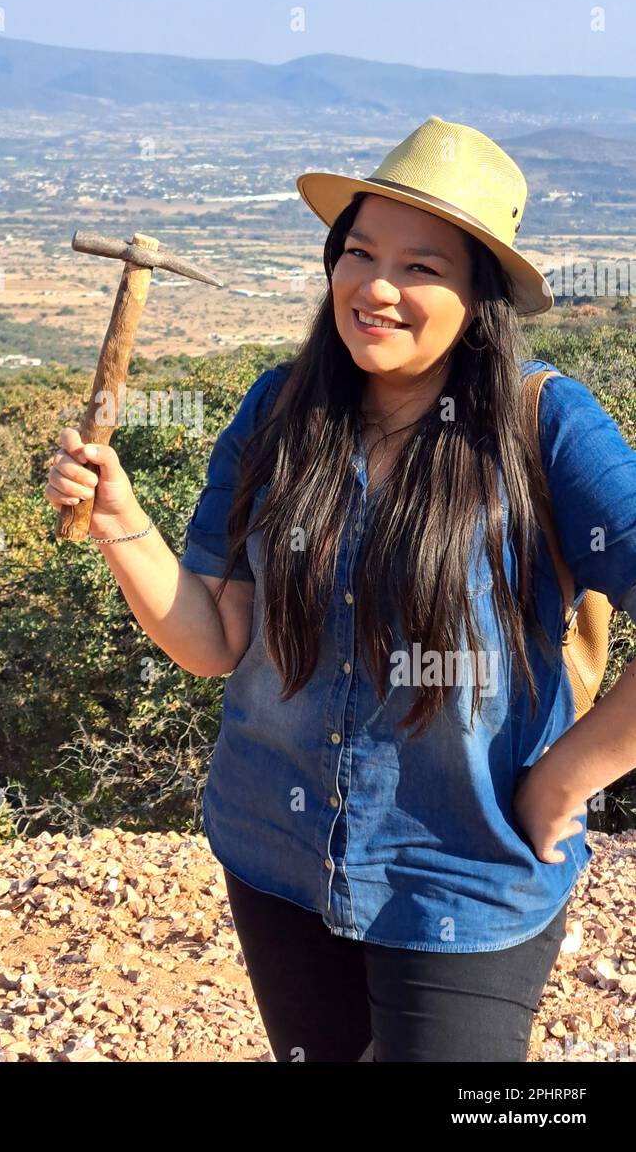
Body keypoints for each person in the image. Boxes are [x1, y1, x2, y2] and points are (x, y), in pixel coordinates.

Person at [44, 115, 636, 1062]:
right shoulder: (281, 411)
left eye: (424, 267)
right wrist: (119, 518)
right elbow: (214, 640)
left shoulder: (546, 427)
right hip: (275, 854)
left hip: (465, 875)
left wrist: (569, 774)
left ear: (482, 295)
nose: (378, 288)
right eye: (358, 253)